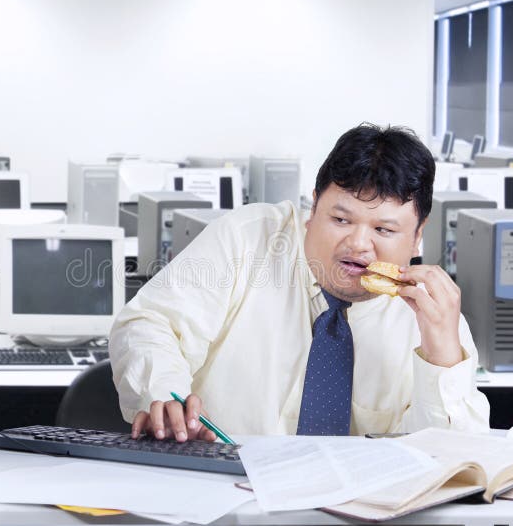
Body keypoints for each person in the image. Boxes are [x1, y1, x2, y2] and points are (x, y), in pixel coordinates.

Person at [109, 123, 490, 442]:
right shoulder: (246, 240)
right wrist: (166, 394)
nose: (358, 244)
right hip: (227, 490)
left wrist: (442, 357)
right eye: (340, 220)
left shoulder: (432, 314)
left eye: (383, 229)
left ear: (418, 234)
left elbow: (452, 460)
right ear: (313, 207)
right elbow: (150, 325)